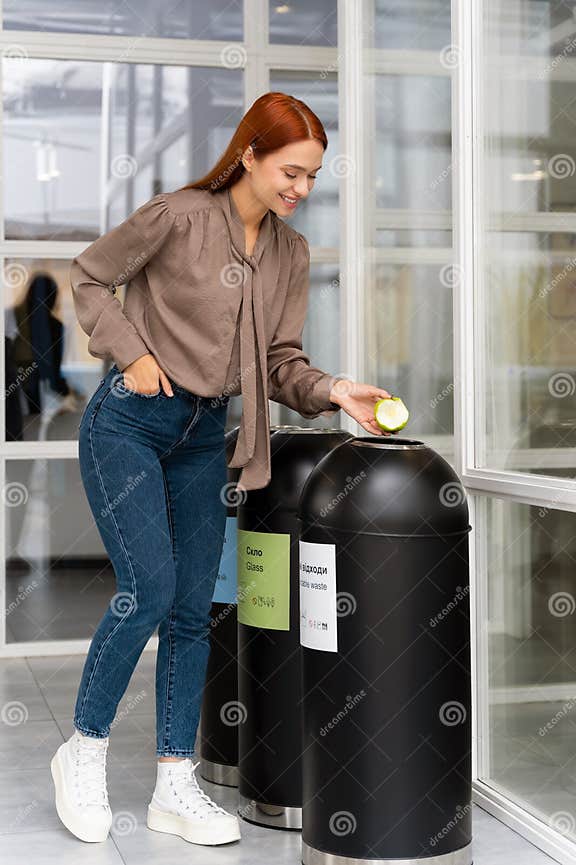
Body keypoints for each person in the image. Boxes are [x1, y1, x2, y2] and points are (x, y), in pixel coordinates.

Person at [50, 91, 391, 847]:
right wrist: (132, 352)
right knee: (149, 590)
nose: (301, 189)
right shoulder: (177, 217)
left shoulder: (289, 254)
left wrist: (334, 391)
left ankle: (177, 780)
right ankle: (84, 748)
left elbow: (279, 364)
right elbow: (90, 277)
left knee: (191, 609)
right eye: (291, 172)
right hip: (130, 426)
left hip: (206, 437)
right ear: (250, 155)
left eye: (312, 178)